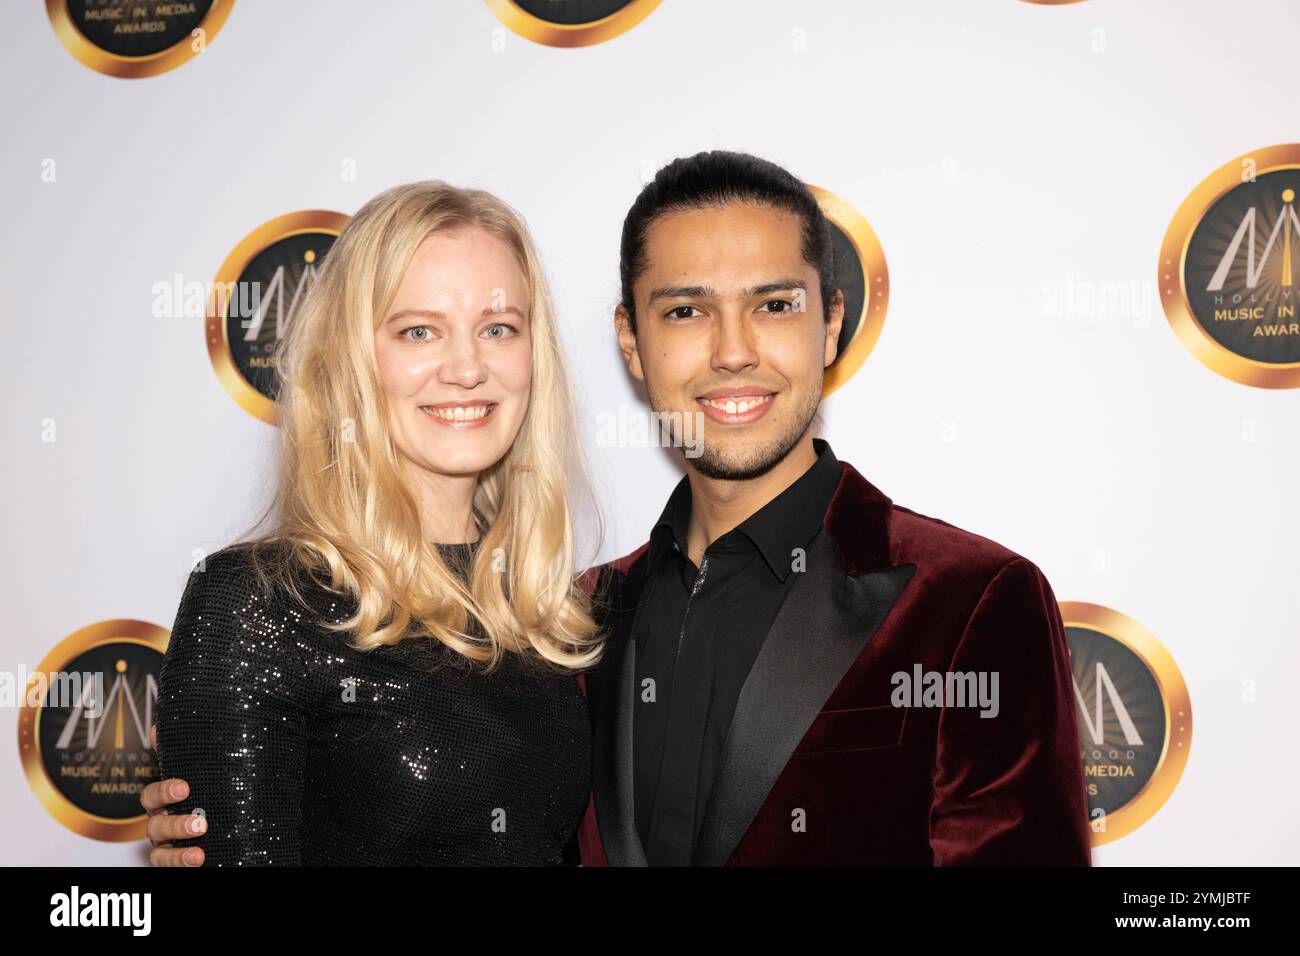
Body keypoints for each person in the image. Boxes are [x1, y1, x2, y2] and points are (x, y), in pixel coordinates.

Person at [146, 151, 1091, 867]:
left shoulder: (972, 602)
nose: (731, 351)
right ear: (631, 346)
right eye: (684, 311)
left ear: (831, 324)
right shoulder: (585, 623)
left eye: (772, 305)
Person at [143, 180, 604, 865]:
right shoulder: (255, 602)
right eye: (419, 330)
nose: (468, 367)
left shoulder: (545, 614)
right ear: (352, 361)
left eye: (498, 328)